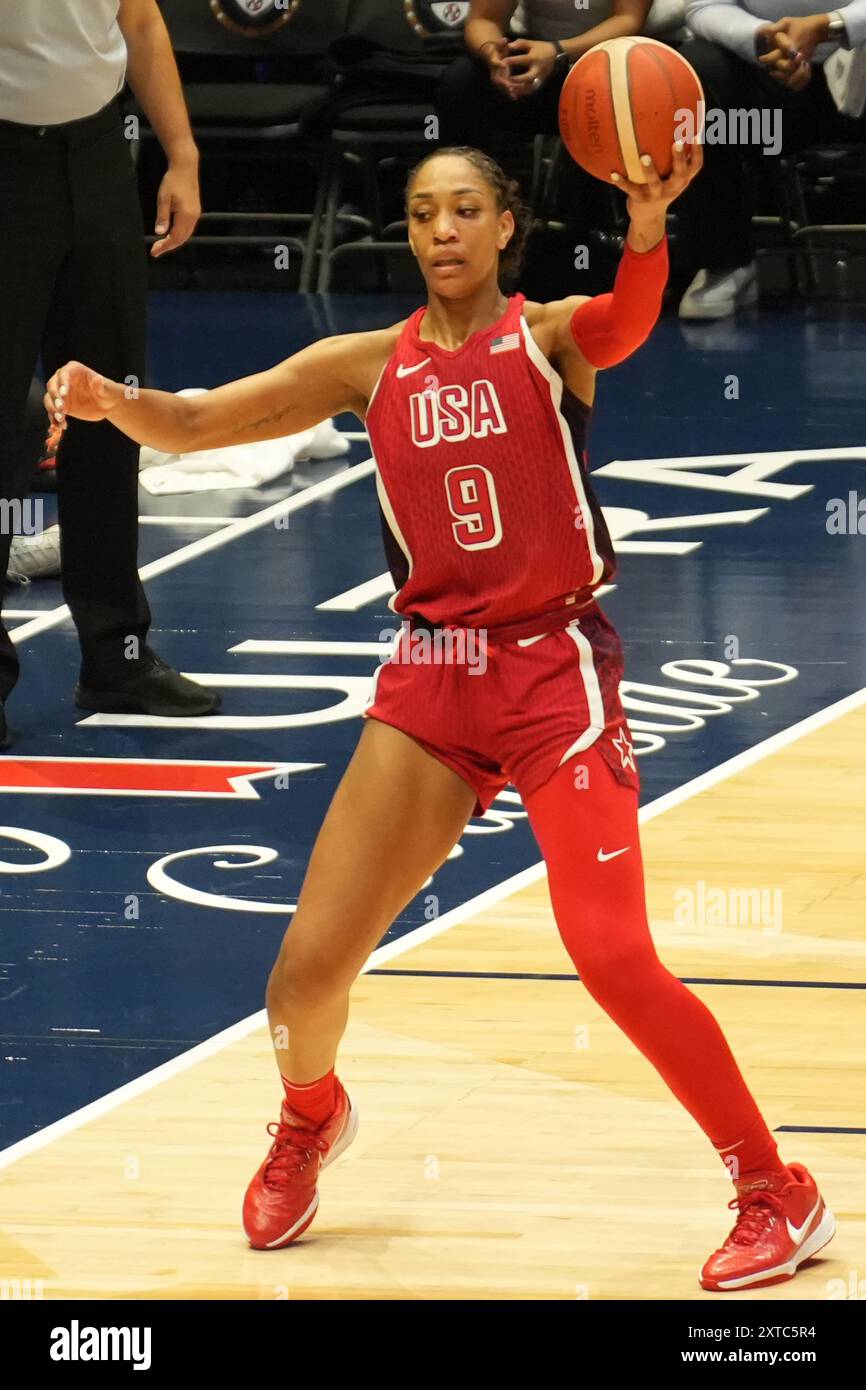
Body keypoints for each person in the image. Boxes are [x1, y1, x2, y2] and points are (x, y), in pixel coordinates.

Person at [44, 141, 835, 1292]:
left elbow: (626, 316)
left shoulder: (550, 336)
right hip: (434, 675)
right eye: (422, 215)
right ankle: (311, 1117)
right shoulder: (366, 363)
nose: (443, 231)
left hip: (549, 672)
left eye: (466, 209)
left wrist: (651, 226)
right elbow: (206, 421)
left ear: (505, 226)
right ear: (409, 235)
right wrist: (116, 403)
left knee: (610, 955)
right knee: (303, 976)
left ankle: (775, 1188)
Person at [0, 0, 220, 748]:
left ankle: (116, 656)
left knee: (109, 410)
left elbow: (143, 21)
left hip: (97, 155)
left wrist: (182, 153)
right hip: (6, 160)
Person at [676, 0, 866, 318]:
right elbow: (704, 6)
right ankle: (726, 264)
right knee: (693, 71)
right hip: (771, 107)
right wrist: (763, 38)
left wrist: (831, 25)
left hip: (861, 81)